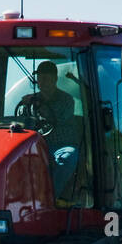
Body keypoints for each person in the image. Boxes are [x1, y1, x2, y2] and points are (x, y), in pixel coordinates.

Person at [21, 61, 80, 199]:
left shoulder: (66, 100)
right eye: (40, 78)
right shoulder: (32, 101)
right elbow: (25, 122)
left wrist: (38, 105)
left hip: (62, 145)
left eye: (46, 78)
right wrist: (25, 108)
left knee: (67, 158)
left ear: (55, 79)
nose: (42, 81)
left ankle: (50, 198)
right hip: (38, 145)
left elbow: (56, 118)